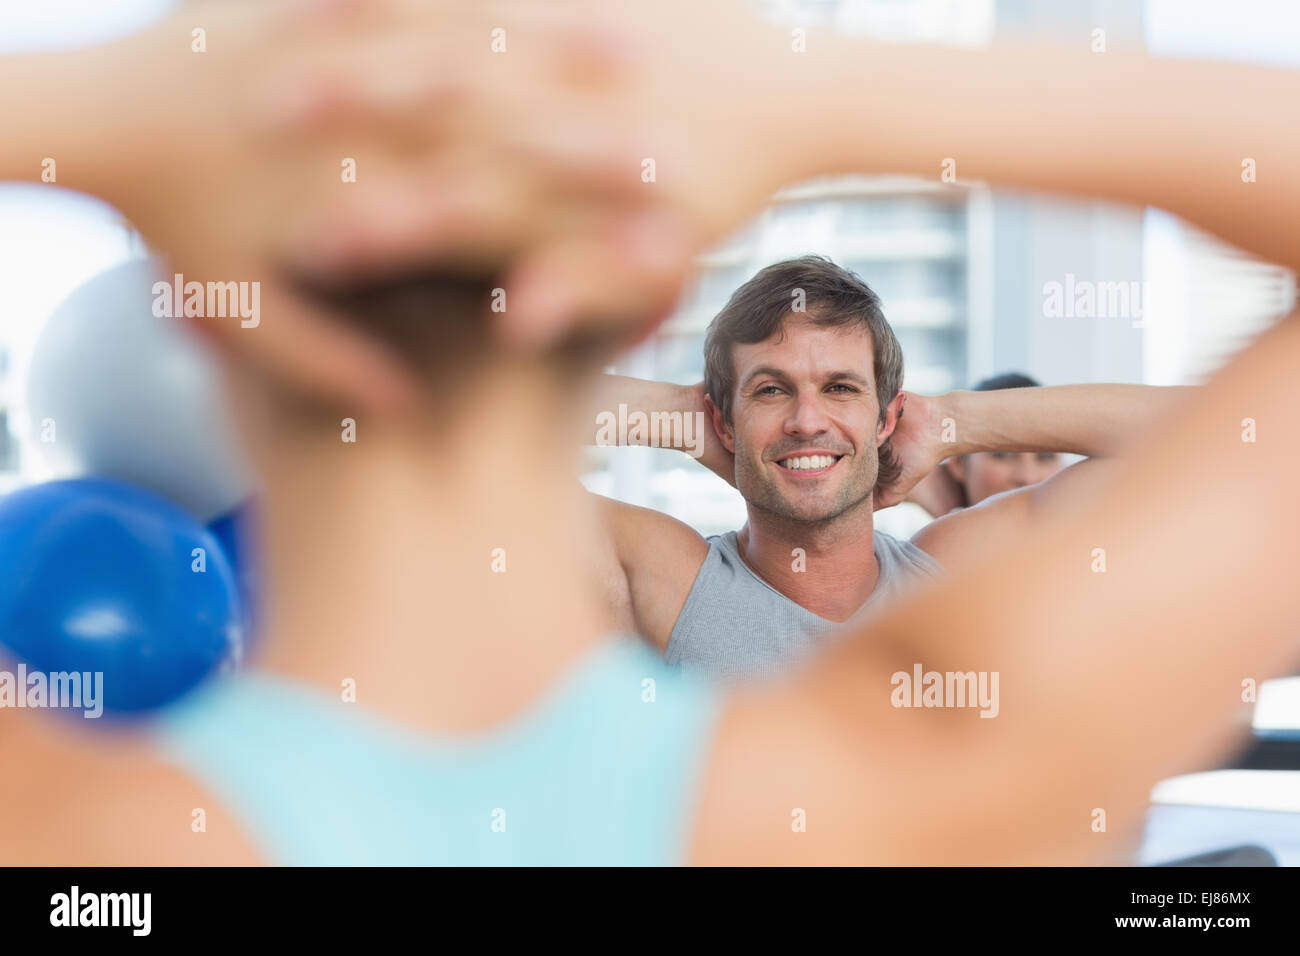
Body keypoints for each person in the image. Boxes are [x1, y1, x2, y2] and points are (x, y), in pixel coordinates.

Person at [2, 0, 1298, 866]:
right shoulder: (920, 784)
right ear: (647, 314)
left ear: (194, 310)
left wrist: (109, 109)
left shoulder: (71, 839)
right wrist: (821, 96)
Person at [583, 257, 1178, 681]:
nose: (806, 421)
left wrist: (953, 421)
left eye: (840, 388)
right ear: (725, 422)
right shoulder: (664, 579)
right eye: (771, 391)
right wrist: (687, 418)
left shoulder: (955, 575)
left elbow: (1224, 434)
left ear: (887, 418)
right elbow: (491, 425)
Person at [907, 372, 1068, 518]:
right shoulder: (928, 546)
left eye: (1045, 457)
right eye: (1003, 454)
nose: (1028, 477)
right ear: (958, 462)